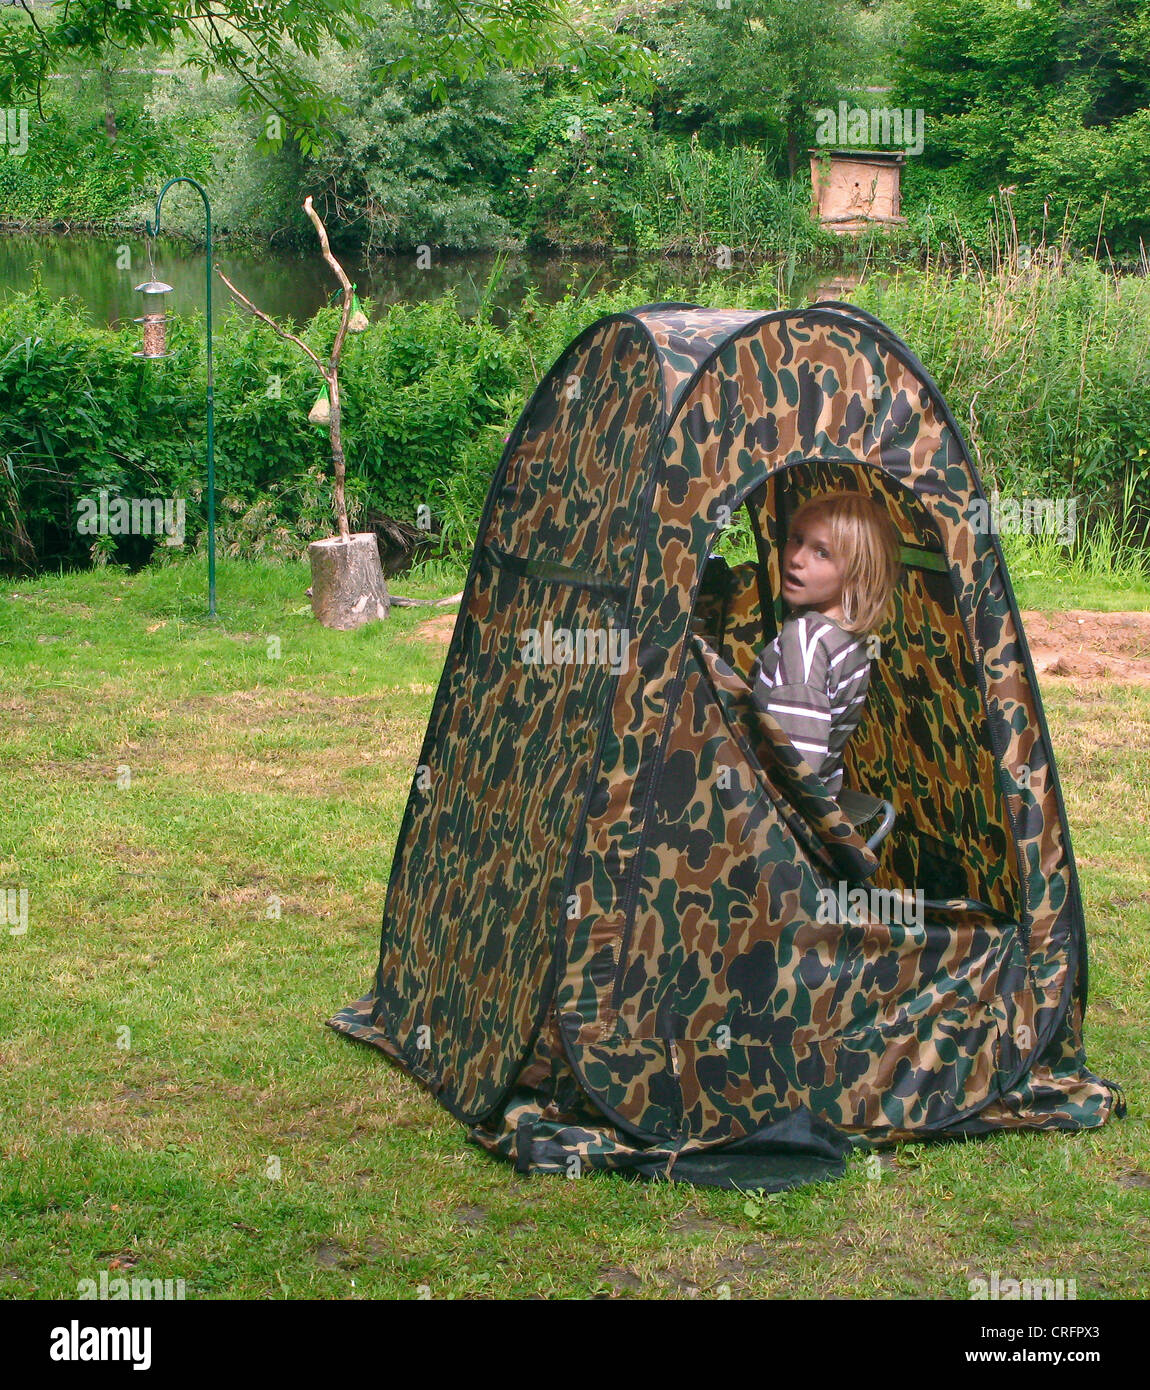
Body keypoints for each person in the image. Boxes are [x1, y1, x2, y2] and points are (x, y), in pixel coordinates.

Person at [748, 490, 901, 799]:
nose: (797, 559)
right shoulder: (850, 638)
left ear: (857, 573)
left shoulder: (804, 642)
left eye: (822, 553)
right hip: (822, 805)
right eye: (796, 539)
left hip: (773, 822)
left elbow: (798, 768)